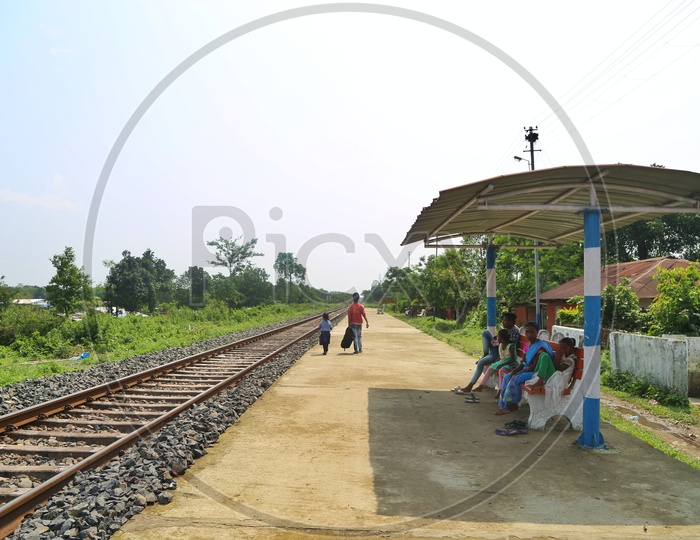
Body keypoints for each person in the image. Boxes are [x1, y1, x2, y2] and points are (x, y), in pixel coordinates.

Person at [495, 321, 553, 415]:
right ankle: (503, 404)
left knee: (514, 379)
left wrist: (520, 372)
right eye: (527, 332)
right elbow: (523, 362)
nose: (529, 334)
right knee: (507, 377)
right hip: (526, 369)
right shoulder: (527, 345)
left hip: (535, 372)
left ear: (537, 332)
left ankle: (511, 405)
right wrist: (515, 370)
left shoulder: (540, 347)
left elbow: (535, 366)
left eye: (532, 332)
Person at [454, 312, 519, 395]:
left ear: (511, 321)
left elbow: (507, 345)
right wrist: (497, 339)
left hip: (500, 353)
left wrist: (497, 341)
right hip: (497, 348)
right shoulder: (507, 330)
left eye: (505, 320)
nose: (503, 322)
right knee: (485, 332)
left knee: (481, 362)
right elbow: (502, 342)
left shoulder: (514, 332)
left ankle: (470, 385)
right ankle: (485, 354)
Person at [472, 328, 518, 395]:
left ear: (502, 339)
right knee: (490, 368)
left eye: (498, 337)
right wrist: (496, 363)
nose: (497, 338)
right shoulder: (501, 345)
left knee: (501, 371)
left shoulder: (511, 347)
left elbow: (512, 359)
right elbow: (500, 356)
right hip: (502, 362)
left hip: (510, 364)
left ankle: (500, 390)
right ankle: (481, 385)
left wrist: (502, 365)